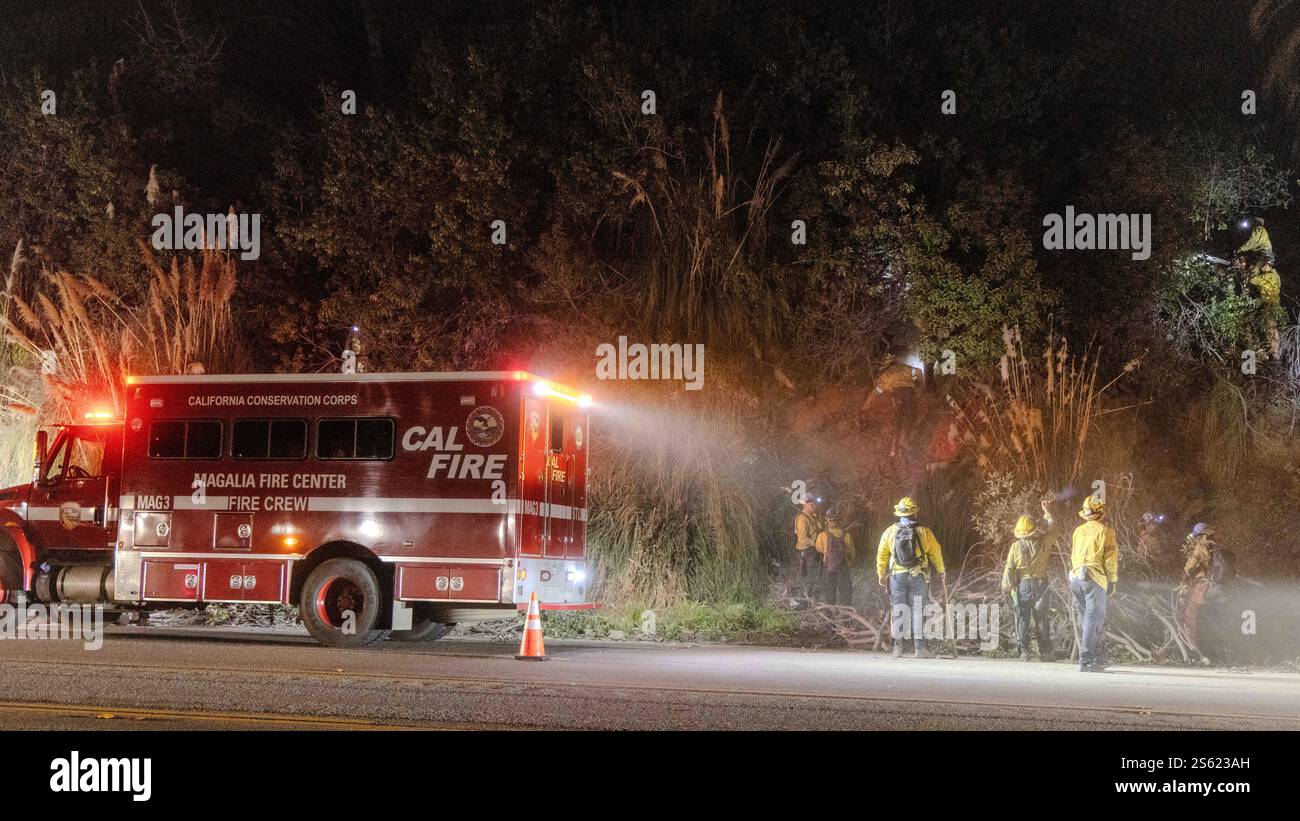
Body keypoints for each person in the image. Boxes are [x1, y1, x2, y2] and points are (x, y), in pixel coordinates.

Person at [876, 496, 945, 658]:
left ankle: (898, 648)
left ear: (898, 513)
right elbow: (936, 552)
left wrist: (881, 574)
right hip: (918, 575)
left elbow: (881, 555)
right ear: (915, 512)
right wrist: (941, 570)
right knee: (918, 610)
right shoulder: (925, 532)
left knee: (899, 609)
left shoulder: (890, 532)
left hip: (896, 577)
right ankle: (920, 649)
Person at [1001, 500, 1057, 661]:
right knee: (1041, 618)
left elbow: (1009, 569)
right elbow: (1054, 529)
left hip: (1023, 586)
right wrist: (1048, 512)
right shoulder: (1043, 543)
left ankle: (1024, 652)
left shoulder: (1015, 547)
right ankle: (1045, 653)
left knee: (1022, 618)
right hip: (1041, 585)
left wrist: (1007, 588)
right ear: (1033, 530)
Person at [1069, 495, 1119, 672]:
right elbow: (1110, 560)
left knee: (1086, 619)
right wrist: (1112, 580)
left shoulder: (1078, 531)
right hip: (1094, 579)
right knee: (1094, 618)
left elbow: (1074, 555)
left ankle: (1096, 658)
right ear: (1101, 512)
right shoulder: (1106, 531)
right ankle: (1087, 659)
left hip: (1076, 579)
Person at [872, 355, 920, 460]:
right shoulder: (904, 367)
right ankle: (905, 439)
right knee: (911, 415)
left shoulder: (886, 374)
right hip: (909, 392)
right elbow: (918, 372)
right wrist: (917, 382)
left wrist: (878, 393)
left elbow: (878, 389)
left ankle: (894, 448)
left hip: (897, 394)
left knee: (897, 419)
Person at [1180, 522, 1216, 663]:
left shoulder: (1199, 549)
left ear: (1199, 536)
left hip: (1200, 586)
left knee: (1190, 616)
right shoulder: (1212, 548)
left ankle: (1193, 649)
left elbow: (1189, 568)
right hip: (1210, 585)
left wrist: (1184, 577)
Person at [815, 512, 856, 606]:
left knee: (829, 590)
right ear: (839, 521)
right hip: (843, 566)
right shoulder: (847, 535)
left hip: (828, 566)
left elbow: (819, 548)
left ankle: (829, 611)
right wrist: (851, 563)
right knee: (845, 590)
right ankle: (845, 613)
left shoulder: (822, 535)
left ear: (826, 522)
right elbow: (851, 551)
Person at [792, 497, 824, 598]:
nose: (814, 507)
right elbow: (802, 538)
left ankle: (813, 594)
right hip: (807, 550)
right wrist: (817, 544)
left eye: (815, 504)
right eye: (811, 504)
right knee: (809, 573)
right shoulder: (802, 519)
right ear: (805, 504)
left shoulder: (813, 517)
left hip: (814, 549)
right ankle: (808, 596)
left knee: (815, 571)